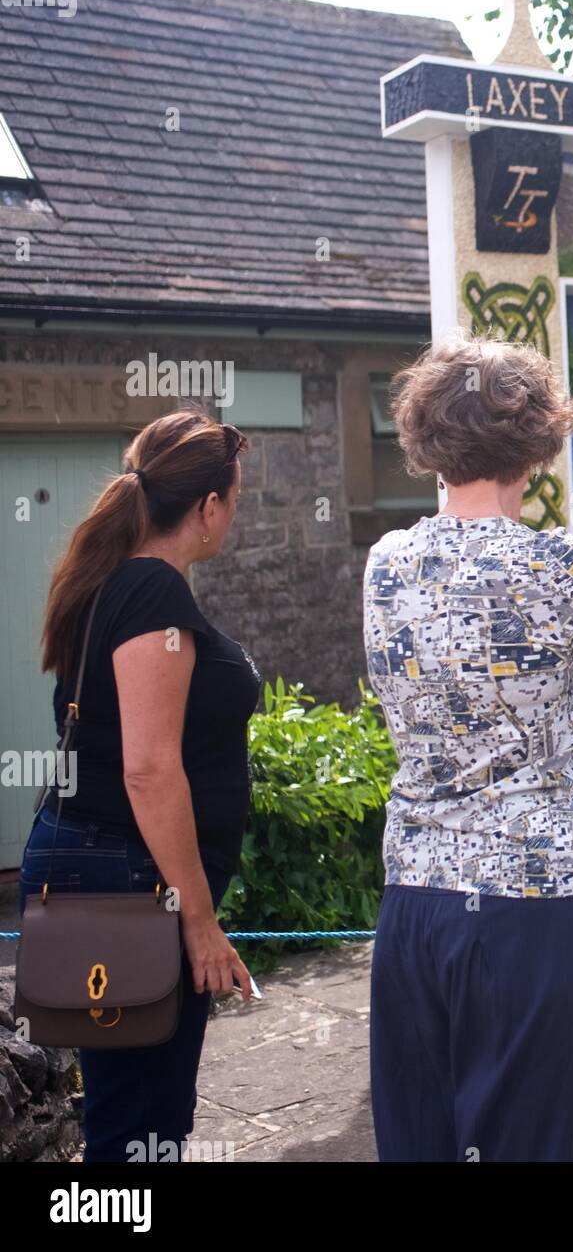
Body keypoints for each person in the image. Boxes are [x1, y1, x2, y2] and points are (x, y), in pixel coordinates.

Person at [365, 336, 573, 1162]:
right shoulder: (559, 563)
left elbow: (427, 698)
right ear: (537, 444)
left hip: (416, 901)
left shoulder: (386, 563)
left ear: (429, 437)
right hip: (536, 912)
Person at [18, 409, 261, 1162]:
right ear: (208, 507)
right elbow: (148, 769)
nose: (234, 512)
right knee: (141, 1123)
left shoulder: (113, 583)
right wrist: (197, 921)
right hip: (129, 878)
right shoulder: (152, 594)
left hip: (101, 864)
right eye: (235, 497)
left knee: (133, 1114)